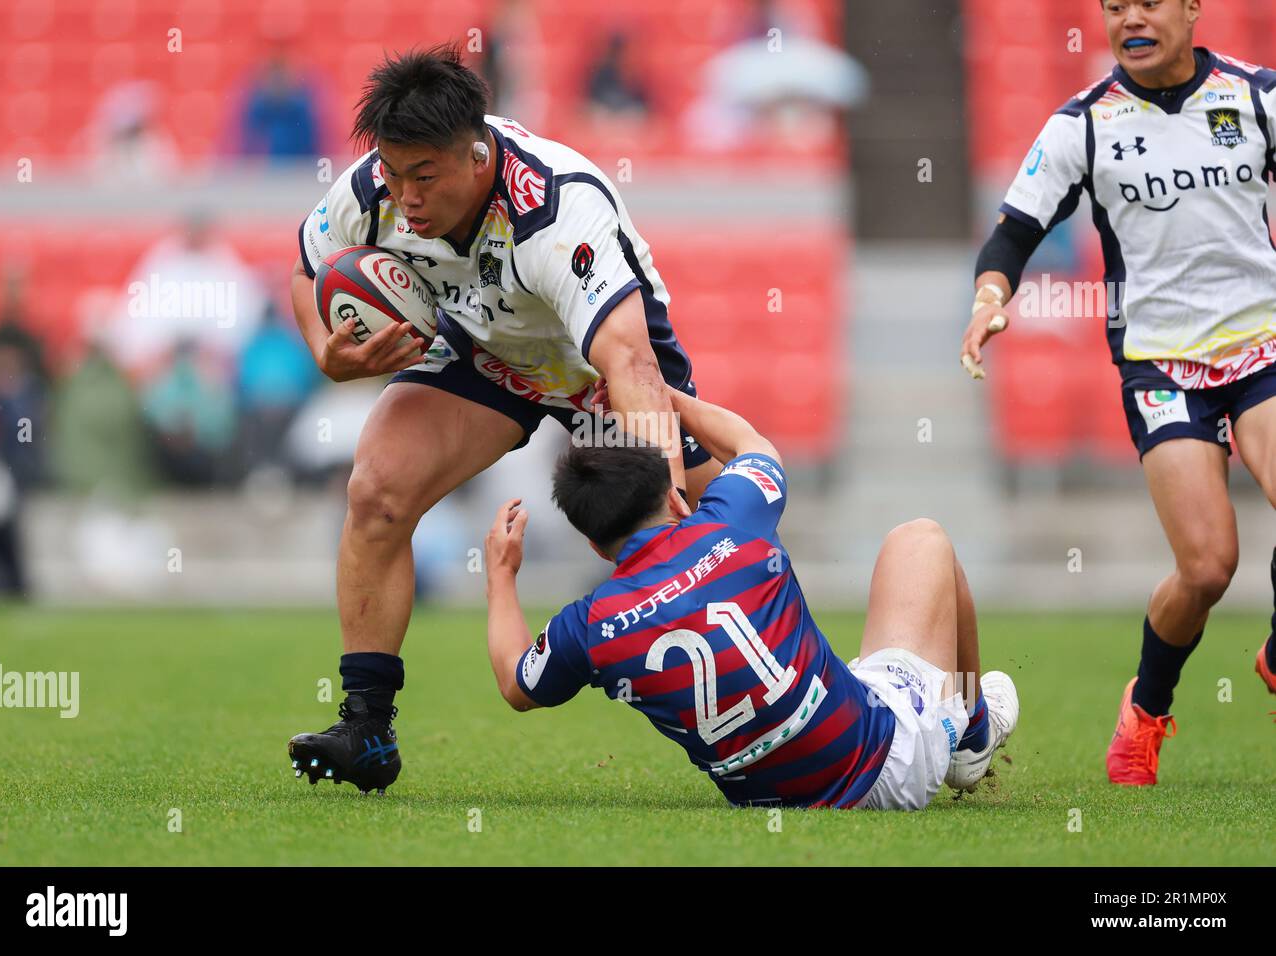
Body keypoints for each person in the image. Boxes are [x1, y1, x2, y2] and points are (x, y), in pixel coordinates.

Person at [286, 45, 720, 794]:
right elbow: (306, 269)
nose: (407, 198)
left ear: (480, 153)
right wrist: (326, 352)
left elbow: (629, 362)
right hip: (488, 351)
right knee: (376, 490)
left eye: (426, 177)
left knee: (718, 540)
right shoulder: (375, 188)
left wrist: (666, 493)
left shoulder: (558, 207)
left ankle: (796, 707)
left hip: (599, 371)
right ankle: (366, 728)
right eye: (395, 175)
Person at [960, 0, 1276, 785]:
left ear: (1193, 9)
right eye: (1113, 6)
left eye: (1149, 2)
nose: (1131, 17)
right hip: (1161, 361)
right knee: (1207, 567)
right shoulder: (1083, 125)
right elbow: (1013, 232)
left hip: (1264, 342)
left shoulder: (1257, 95)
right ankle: (1148, 706)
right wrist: (988, 300)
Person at [480, 387, 1019, 810]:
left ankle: (937, 719)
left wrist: (502, 574)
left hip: (773, 797)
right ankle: (970, 738)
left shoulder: (590, 625)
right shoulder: (732, 519)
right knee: (922, 539)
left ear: (596, 546)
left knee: (854, 676)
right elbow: (750, 443)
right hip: (888, 762)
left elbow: (515, 684)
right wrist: (668, 398)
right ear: (675, 496)